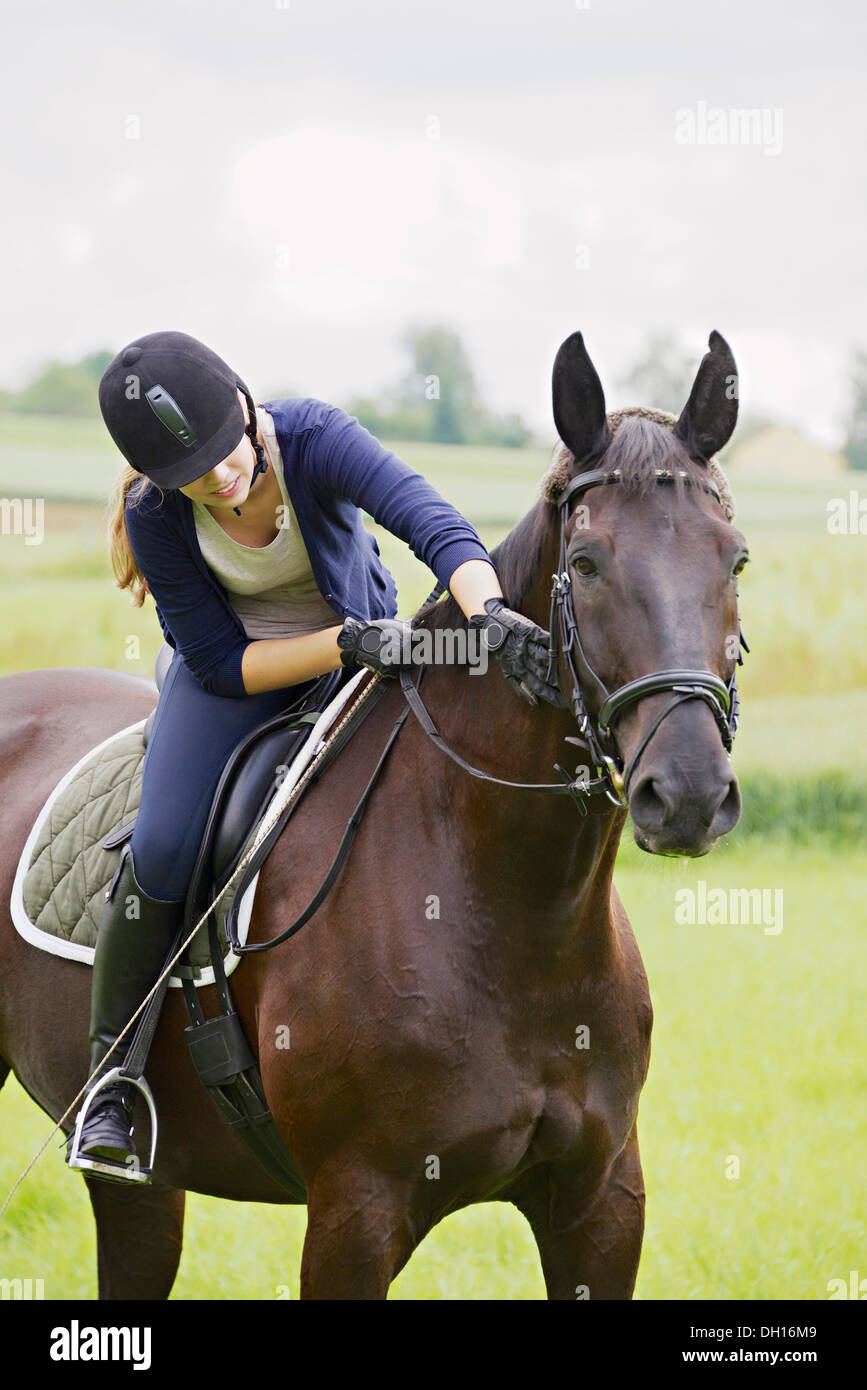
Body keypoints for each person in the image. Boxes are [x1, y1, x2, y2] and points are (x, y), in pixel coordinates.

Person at [68, 329, 562, 1181]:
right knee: (162, 845)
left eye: (227, 454)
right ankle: (113, 1080)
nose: (219, 480)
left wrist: (488, 617)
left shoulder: (314, 437)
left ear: (249, 409)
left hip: (369, 650)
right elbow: (222, 662)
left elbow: (436, 528)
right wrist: (341, 644)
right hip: (242, 676)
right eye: (194, 477)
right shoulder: (157, 515)